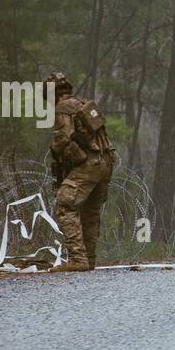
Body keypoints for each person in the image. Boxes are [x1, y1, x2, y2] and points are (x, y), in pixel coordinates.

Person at [49, 71, 116, 272]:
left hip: (89, 164)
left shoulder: (63, 108)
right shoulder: (83, 104)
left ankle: (78, 259)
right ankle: (89, 259)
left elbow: (62, 140)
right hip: (105, 162)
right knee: (90, 212)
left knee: (65, 204)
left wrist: (73, 160)